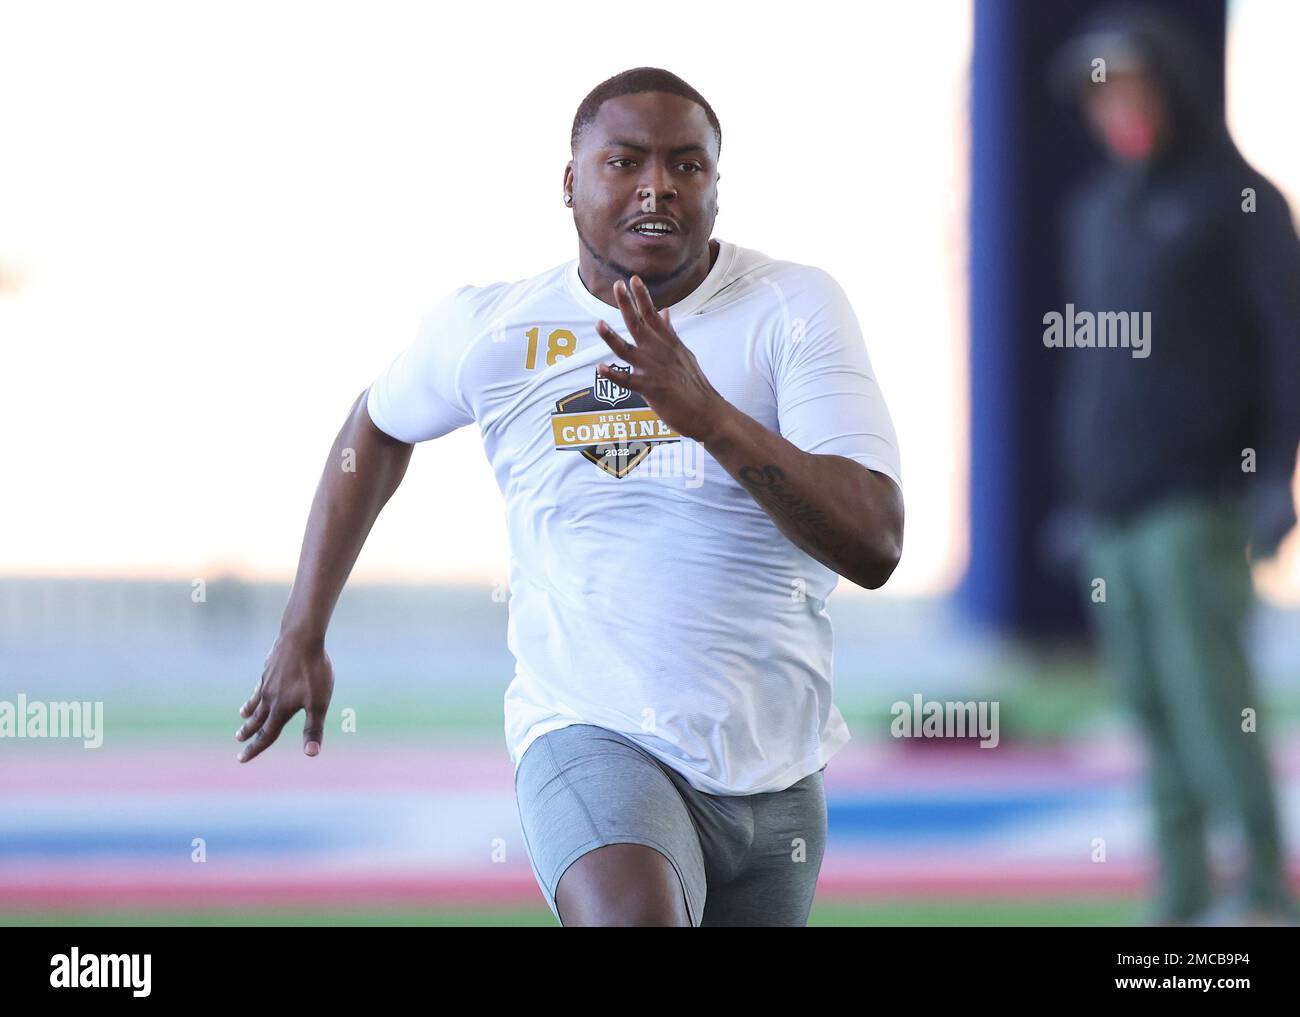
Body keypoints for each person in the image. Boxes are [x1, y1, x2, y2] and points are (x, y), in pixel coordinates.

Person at [233, 67, 904, 927]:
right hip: (592, 732)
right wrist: (302, 628)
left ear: (716, 189)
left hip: (775, 773)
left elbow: (876, 543)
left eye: (686, 165)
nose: (657, 185)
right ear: (569, 181)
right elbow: (376, 425)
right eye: (624, 161)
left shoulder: (792, 308)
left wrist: (711, 419)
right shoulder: (497, 330)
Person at [1050, 7, 1300, 926]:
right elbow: (1090, 366)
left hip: (1198, 503)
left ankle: (1265, 890)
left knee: (1213, 706)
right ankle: (1182, 901)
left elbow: (1287, 347)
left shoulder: (1237, 199)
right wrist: (1074, 491)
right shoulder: (1097, 210)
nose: (1116, 109)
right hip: (1111, 509)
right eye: (1098, 95)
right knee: (1150, 710)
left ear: (1174, 88)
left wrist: (1278, 474)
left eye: (1132, 86)